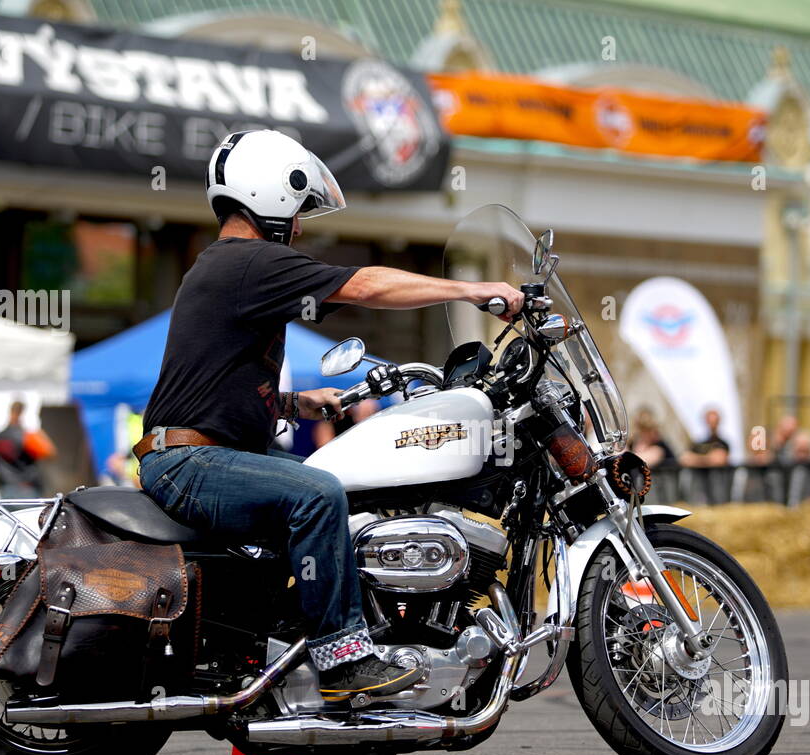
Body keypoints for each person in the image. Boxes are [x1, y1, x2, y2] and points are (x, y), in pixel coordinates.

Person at [136, 129, 523, 699]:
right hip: (190, 462)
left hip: (192, 452)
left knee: (337, 491)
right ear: (271, 197)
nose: (298, 229)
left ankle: (285, 652)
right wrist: (471, 290)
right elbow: (366, 285)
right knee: (319, 493)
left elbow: (213, 385)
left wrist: (294, 403)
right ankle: (343, 662)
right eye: (297, 213)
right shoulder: (251, 262)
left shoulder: (228, 267)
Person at [0, 400, 46, 499]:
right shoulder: (28, 437)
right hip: (27, 487)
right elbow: (49, 452)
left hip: (6, 487)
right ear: (22, 413)